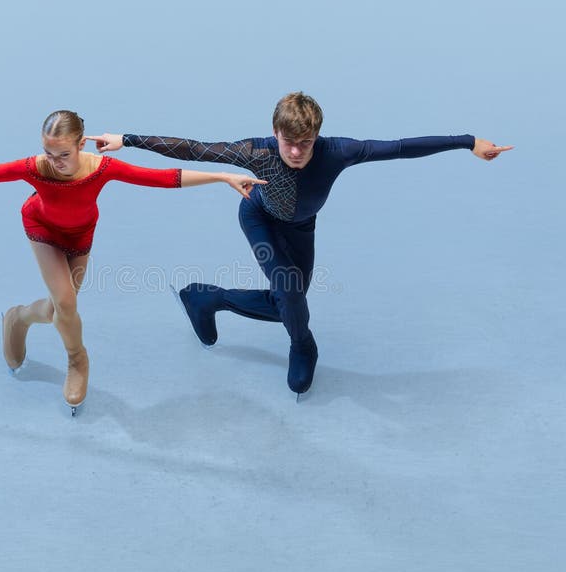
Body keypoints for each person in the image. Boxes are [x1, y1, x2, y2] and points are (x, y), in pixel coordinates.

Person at [86, 92, 514, 396]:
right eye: (288, 141)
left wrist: (468, 142)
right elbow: (195, 149)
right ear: (275, 131)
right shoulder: (255, 153)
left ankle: (206, 299)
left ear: (317, 136)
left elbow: (400, 147)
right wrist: (127, 139)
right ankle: (303, 345)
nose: (295, 151)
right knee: (290, 293)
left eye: (305, 143)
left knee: (287, 302)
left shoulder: (340, 151)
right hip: (258, 218)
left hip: (301, 229)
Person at [0, 109, 266, 413]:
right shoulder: (35, 167)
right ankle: (78, 360)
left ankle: (17, 318)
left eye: (64, 154)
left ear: (81, 144)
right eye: (50, 154)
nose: (56, 162)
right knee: (68, 303)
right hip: (41, 228)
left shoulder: (102, 168)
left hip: (81, 235)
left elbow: (164, 177)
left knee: (58, 310)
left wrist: (220, 176)